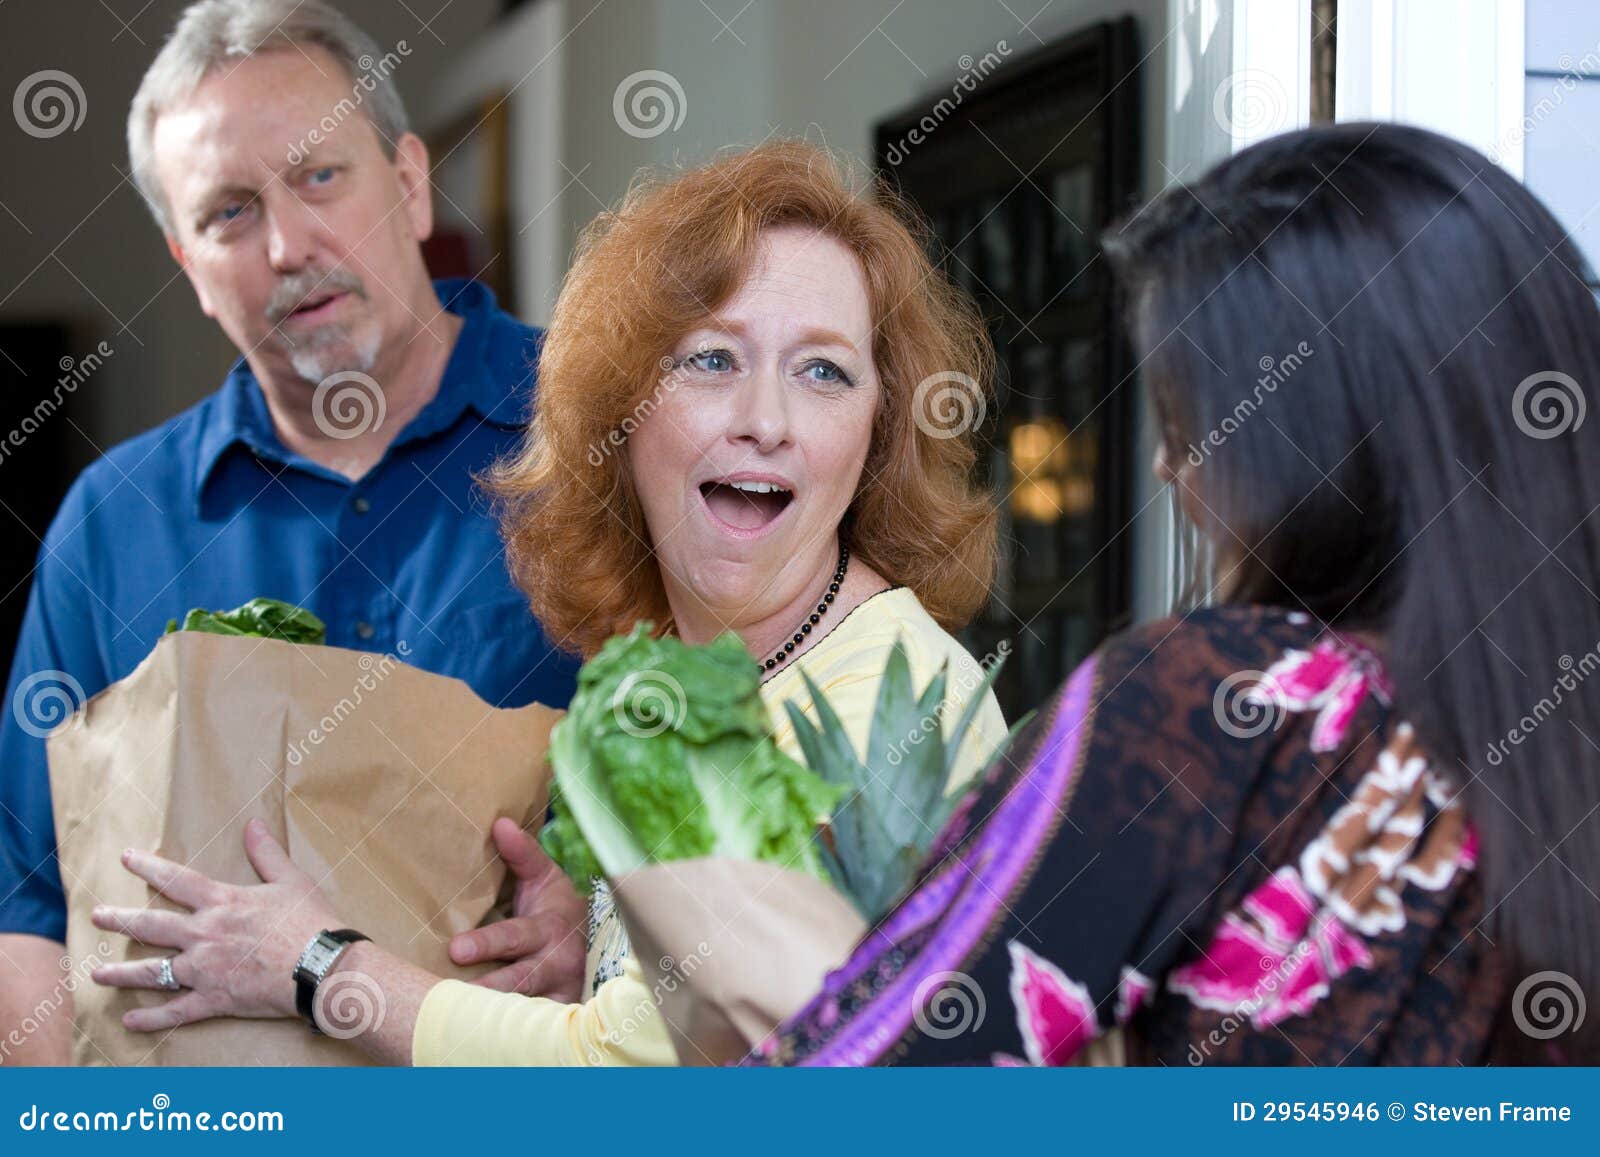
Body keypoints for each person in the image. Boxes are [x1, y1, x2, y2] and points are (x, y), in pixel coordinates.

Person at [89, 140, 1011, 1065]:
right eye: (712, 359)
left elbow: (629, 1087)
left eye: (824, 372)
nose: (765, 419)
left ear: (877, 433)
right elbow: (690, 1032)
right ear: (623, 409)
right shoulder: (698, 678)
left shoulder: (885, 712)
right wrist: (603, 960)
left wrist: (318, 965)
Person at [748, 123, 1600, 1066]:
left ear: (1304, 438)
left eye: (1191, 421)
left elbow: (847, 1083)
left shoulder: (1225, 706)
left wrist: (683, 893)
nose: (1165, 465)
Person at [0, 0, 582, 1065]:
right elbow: (27, 913)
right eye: (228, 212)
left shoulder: (609, 433)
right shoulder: (109, 523)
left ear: (408, 184)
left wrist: (612, 923)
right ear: (186, 260)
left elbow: (748, 790)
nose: (287, 245)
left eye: (320, 176)